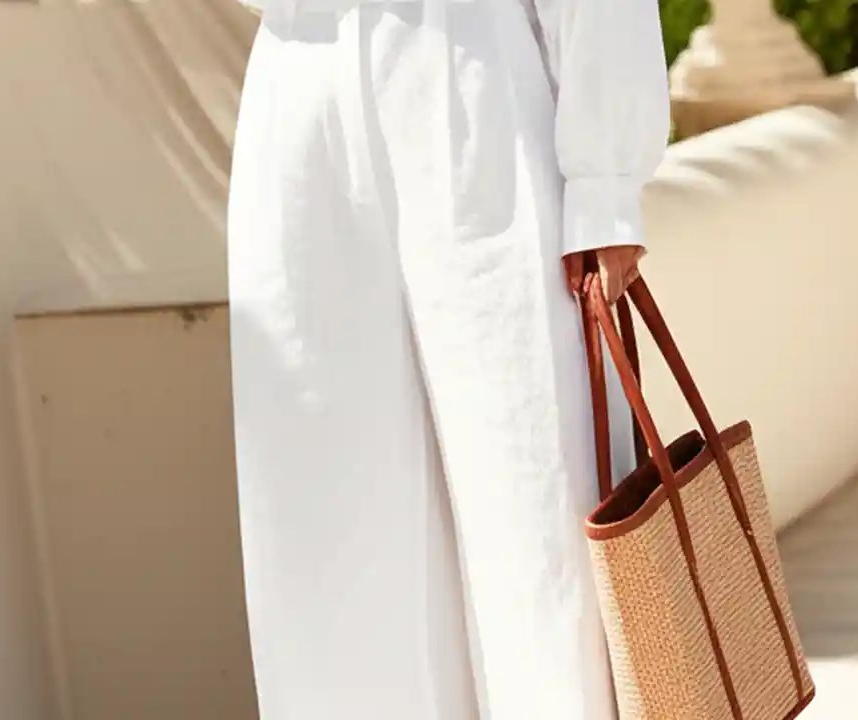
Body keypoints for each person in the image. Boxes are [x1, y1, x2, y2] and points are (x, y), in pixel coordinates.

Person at [227, 0, 669, 717]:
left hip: (475, 74)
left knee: (533, 489)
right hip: (298, 77)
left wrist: (605, 184)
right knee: (325, 509)